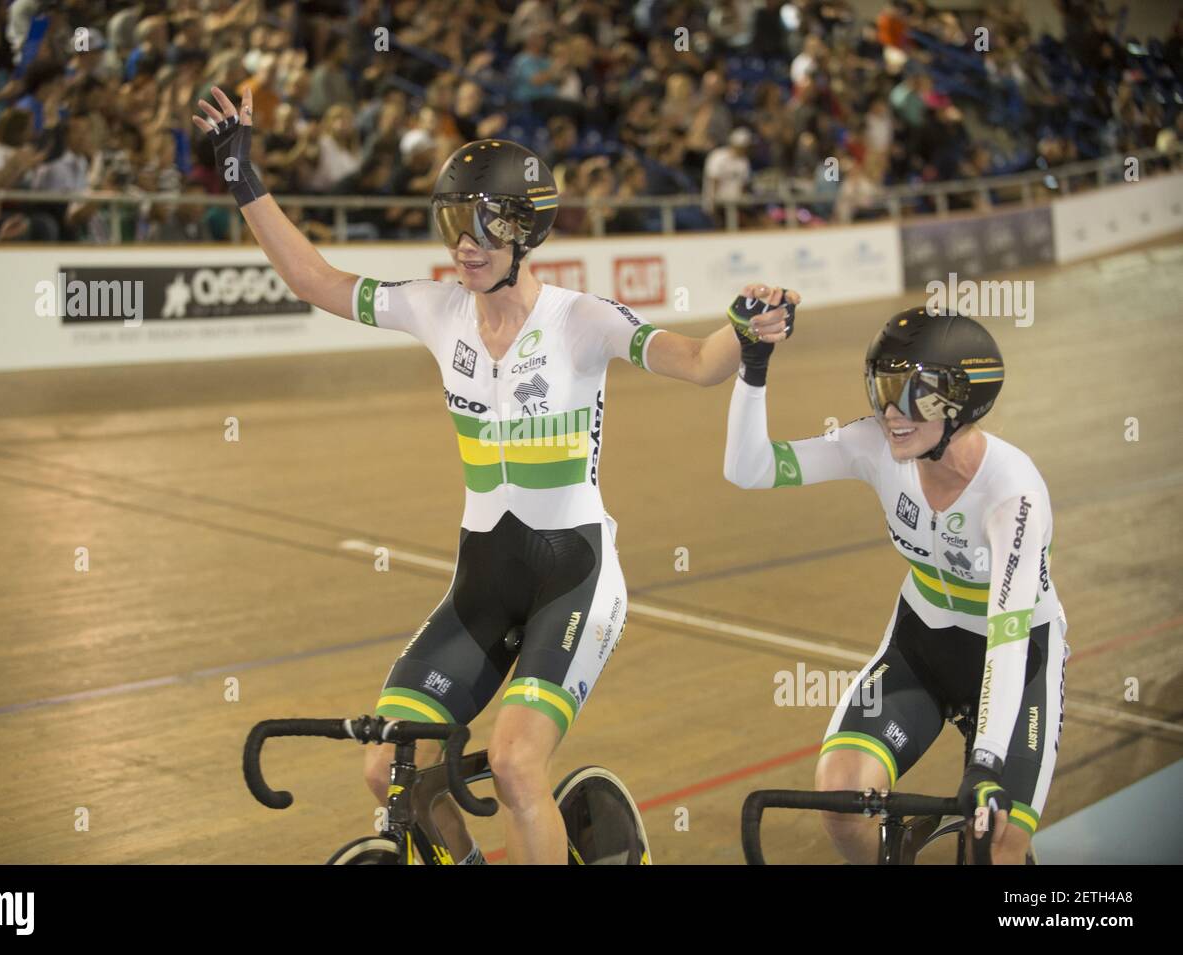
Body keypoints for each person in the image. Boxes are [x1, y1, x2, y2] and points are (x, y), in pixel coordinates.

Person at [194, 87, 748, 865]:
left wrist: (748, 330)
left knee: (519, 768)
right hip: (482, 584)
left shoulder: (580, 319)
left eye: (483, 225)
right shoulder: (435, 309)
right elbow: (315, 280)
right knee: (390, 768)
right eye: (454, 223)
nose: (464, 244)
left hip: (575, 581)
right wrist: (243, 178)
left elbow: (696, 364)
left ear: (527, 231)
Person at [722, 289, 1068, 865]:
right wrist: (752, 365)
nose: (890, 415)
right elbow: (747, 469)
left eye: (914, 399)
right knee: (841, 798)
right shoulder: (876, 447)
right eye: (884, 391)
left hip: (1017, 655)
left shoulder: (1014, 492)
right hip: (923, 648)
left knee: (998, 842)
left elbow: (1006, 640)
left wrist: (985, 763)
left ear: (960, 404)